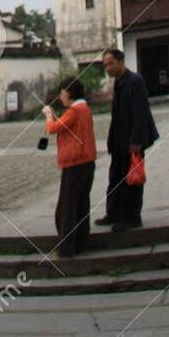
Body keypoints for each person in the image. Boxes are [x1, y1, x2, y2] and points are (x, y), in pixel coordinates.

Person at [97, 46, 158, 231]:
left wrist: (136, 141)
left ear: (121, 62)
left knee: (131, 179)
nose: (108, 68)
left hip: (132, 140)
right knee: (115, 177)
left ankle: (132, 217)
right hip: (118, 140)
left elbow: (140, 113)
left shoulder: (135, 81)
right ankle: (114, 213)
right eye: (105, 65)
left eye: (111, 64)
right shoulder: (119, 82)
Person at [43, 78, 97, 260]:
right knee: (81, 205)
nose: (61, 96)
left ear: (69, 92)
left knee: (66, 209)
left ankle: (66, 249)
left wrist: (49, 115)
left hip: (74, 163)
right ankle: (81, 244)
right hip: (87, 161)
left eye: (62, 92)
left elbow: (52, 129)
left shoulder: (75, 110)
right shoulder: (84, 108)